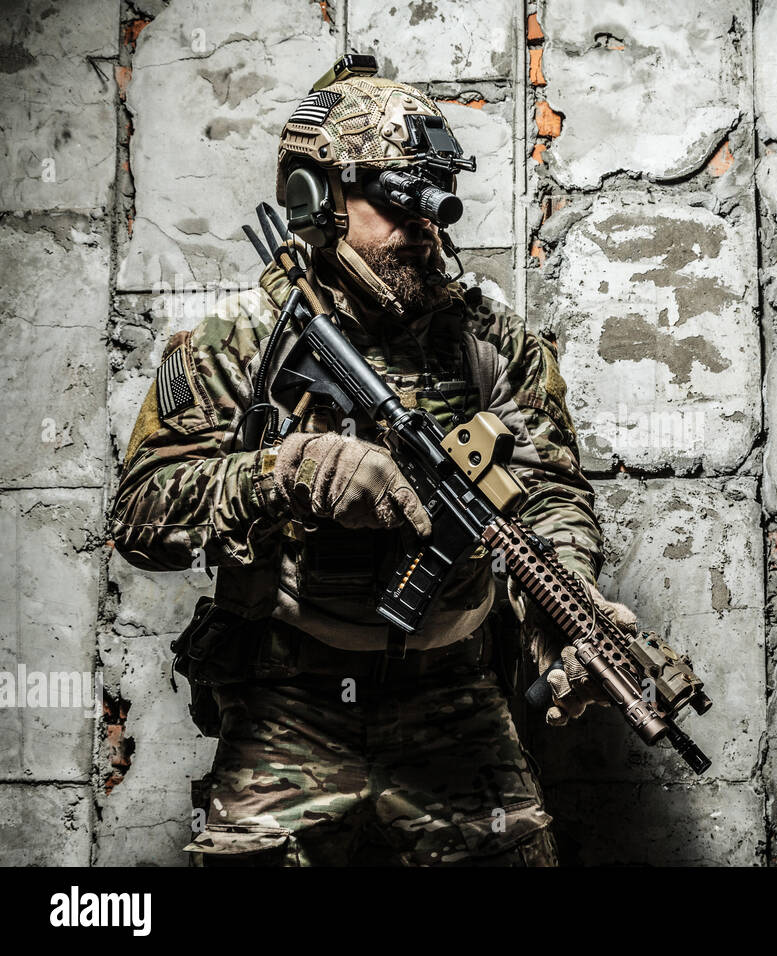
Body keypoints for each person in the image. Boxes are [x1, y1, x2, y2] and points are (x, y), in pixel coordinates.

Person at [108, 54, 629, 866]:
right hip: (288, 698)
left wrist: (567, 605)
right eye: (395, 198)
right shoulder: (237, 341)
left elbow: (551, 490)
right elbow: (140, 516)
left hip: (453, 693)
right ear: (316, 199)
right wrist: (285, 472)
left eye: (434, 202)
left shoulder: (491, 343)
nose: (424, 226)